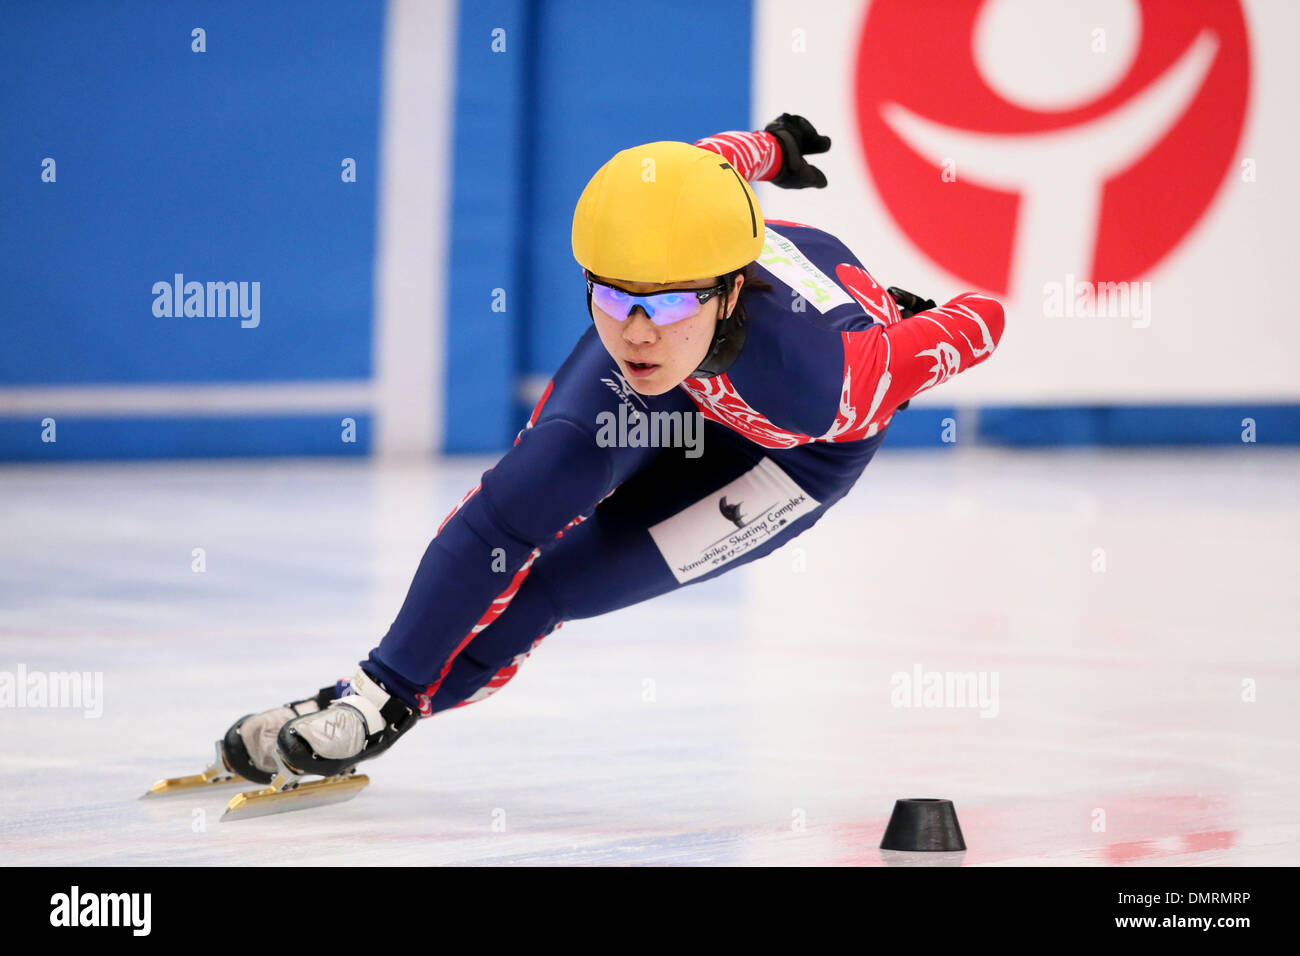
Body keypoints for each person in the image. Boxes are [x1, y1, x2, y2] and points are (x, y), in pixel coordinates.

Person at [219, 114, 1006, 784]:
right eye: (611, 294)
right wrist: (773, 145)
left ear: (729, 291)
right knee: (519, 501)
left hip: (785, 456)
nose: (635, 330)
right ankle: (372, 693)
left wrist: (908, 333)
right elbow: (710, 162)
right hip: (678, 387)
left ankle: (391, 701)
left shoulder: (828, 383)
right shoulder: (658, 289)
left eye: (660, 302)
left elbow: (987, 319)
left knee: (548, 592)